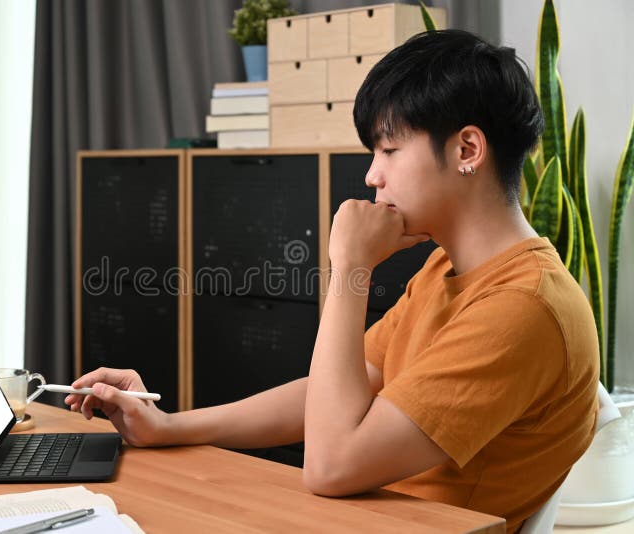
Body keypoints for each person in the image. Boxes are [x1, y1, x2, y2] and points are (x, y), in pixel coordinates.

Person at [65, 30, 599, 533]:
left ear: (466, 151)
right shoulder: (446, 268)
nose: (372, 175)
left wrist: (350, 269)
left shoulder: (522, 306)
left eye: (389, 150)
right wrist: (168, 426)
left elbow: (331, 466)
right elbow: (337, 391)